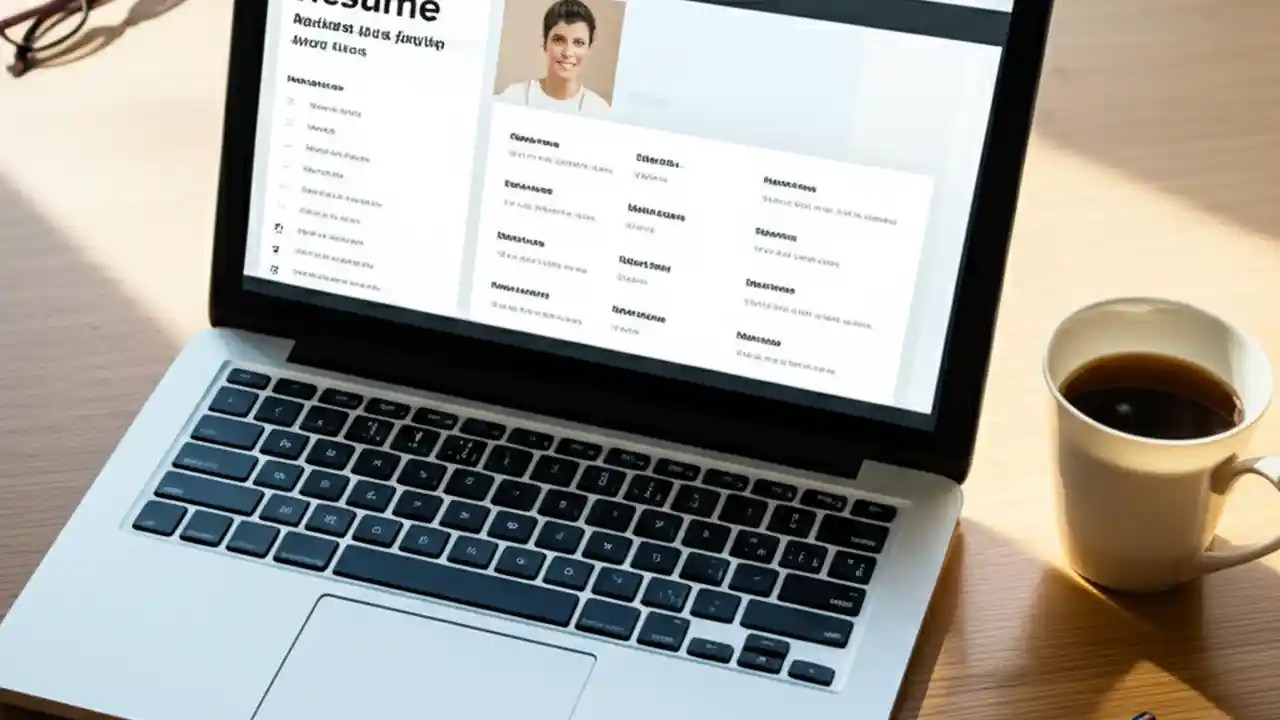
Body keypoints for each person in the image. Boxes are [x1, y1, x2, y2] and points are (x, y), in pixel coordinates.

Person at [496, 0, 610, 117]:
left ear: (589, 48)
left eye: (578, 43)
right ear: (545, 43)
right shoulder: (514, 98)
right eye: (559, 40)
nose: (568, 52)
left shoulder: (600, 111)